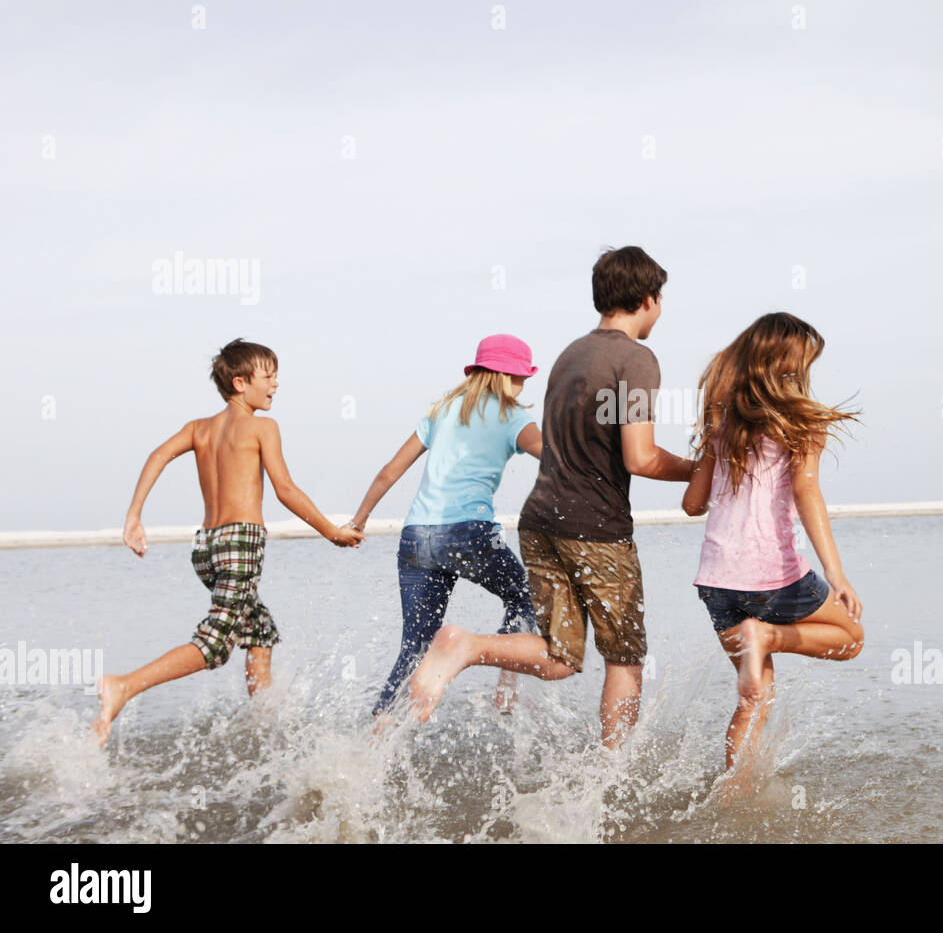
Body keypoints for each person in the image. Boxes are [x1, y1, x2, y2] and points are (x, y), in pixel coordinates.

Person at [406, 246, 693, 749]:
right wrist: (698, 471)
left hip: (540, 521)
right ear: (648, 298)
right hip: (596, 527)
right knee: (624, 657)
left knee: (561, 657)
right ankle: (613, 774)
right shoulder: (636, 359)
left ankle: (467, 646)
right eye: (661, 297)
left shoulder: (570, 354)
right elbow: (640, 458)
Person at [93, 339, 364, 746]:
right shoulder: (262, 427)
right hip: (240, 545)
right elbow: (285, 489)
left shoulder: (199, 429)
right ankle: (124, 686)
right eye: (268, 377)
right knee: (215, 645)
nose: (275, 385)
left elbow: (157, 455)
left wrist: (134, 516)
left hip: (207, 547)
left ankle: (263, 724)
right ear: (240, 383)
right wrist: (332, 531)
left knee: (259, 629)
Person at [681, 312, 864, 772]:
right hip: (772, 575)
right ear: (789, 365)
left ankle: (734, 793)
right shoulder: (800, 422)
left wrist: (714, 466)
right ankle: (767, 634)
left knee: (756, 697)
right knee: (851, 638)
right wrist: (836, 573)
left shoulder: (718, 420)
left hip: (717, 582)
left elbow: (691, 504)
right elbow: (807, 491)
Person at [347, 335, 543, 724]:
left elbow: (390, 470)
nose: (523, 387)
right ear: (504, 375)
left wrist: (358, 520)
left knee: (415, 644)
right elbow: (554, 455)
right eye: (521, 378)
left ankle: (380, 728)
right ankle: (506, 687)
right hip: (469, 533)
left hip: (417, 536)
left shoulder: (442, 411)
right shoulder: (513, 417)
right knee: (526, 598)